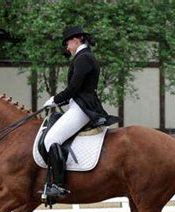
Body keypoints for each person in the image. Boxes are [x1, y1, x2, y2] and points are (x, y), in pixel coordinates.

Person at [42, 26, 119, 198]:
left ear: (77, 40)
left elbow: (74, 87)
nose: (67, 48)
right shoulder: (83, 57)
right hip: (78, 106)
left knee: (51, 140)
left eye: (67, 43)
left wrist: (55, 99)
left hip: (82, 108)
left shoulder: (83, 58)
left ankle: (59, 185)